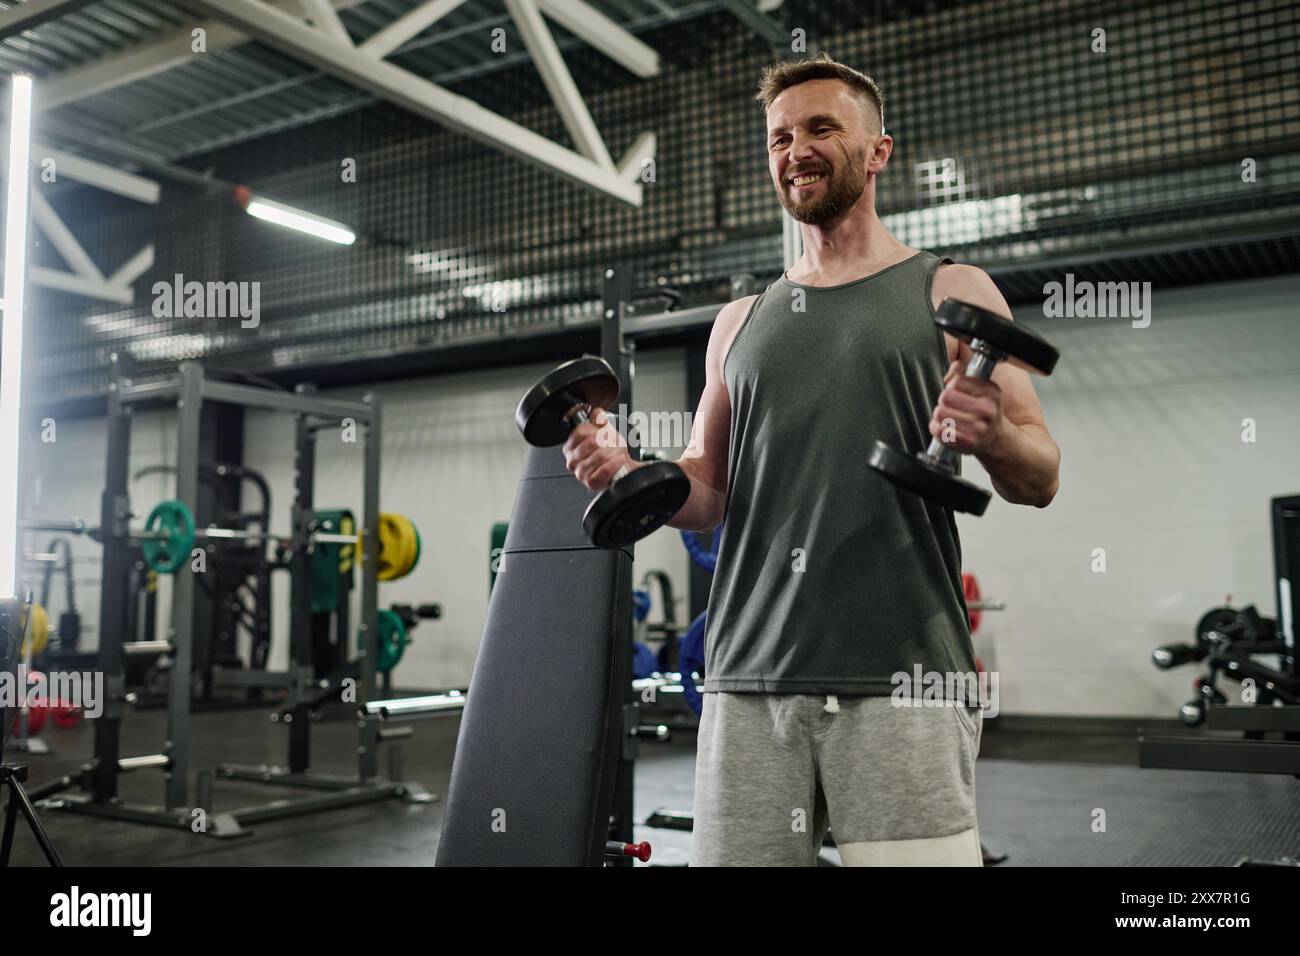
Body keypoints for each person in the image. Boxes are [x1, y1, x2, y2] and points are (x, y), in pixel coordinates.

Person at [562, 53, 1060, 866]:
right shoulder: (739, 321)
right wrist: (628, 469)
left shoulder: (950, 290)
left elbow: (1041, 473)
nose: (796, 149)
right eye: (779, 137)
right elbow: (707, 492)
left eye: (823, 127)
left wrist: (994, 435)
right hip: (747, 679)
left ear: (878, 150)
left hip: (903, 677)